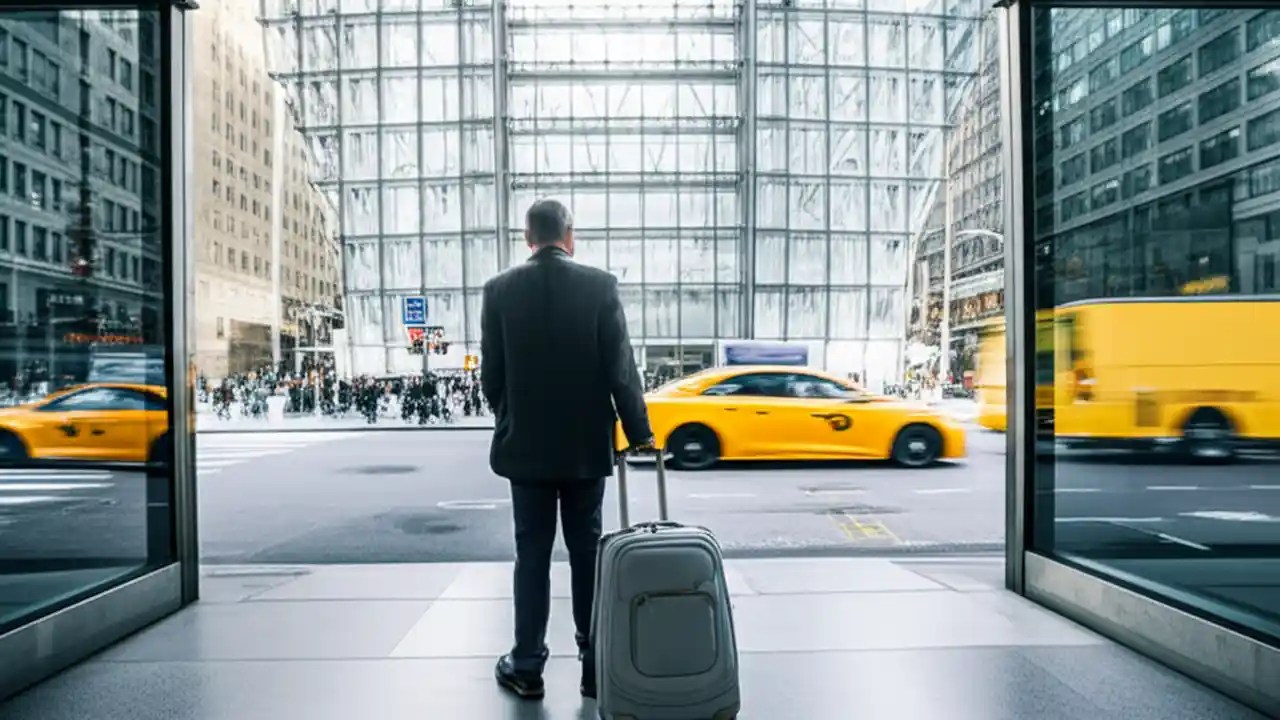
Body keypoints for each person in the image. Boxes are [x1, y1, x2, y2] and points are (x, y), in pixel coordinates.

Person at [481, 198, 653, 702]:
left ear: (528, 238)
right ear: (569, 236)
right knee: (587, 553)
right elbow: (620, 368)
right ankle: (593, 661)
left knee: (530, 554)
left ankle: (528, 664)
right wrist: (638, 430)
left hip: (527, 450)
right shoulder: (600, 287)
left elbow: (493, 376)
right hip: (584, 449)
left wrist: (513, 415)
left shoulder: (499, 291)